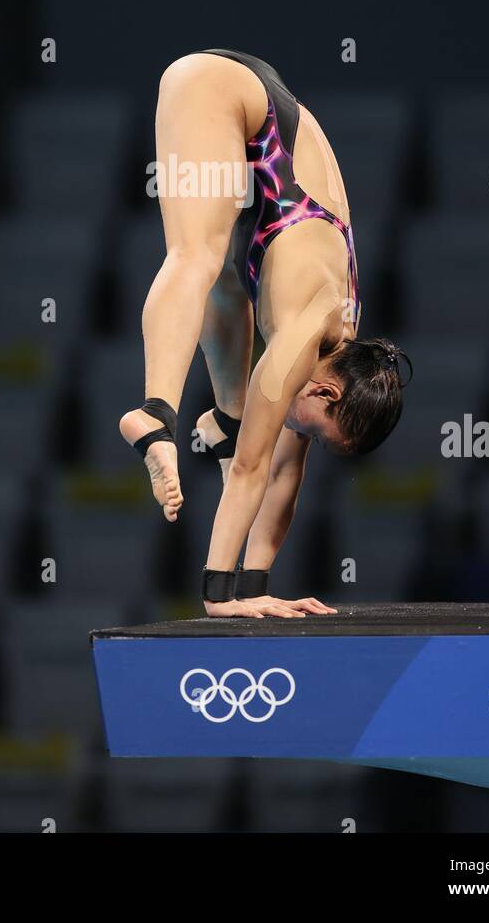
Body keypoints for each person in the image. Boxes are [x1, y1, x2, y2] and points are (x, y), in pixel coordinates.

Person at [119, 50, 410, 619]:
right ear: (328, 394)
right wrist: (218, 596)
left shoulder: (337, 349)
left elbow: (283, 480)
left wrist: (257, 591)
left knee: (227, 283)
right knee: (196, 256)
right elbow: (254, 471)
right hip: (218, 88)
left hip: (264, 119)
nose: (310, 443)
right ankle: (155, 413)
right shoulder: (306, 338)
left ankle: (225, 418)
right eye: (325, 437)